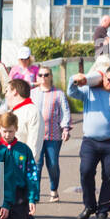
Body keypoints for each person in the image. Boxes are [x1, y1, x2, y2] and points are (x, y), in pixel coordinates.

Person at [68, 59, 110, 219]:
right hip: (90, 141)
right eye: (108, 79)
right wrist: (75, 79)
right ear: (103, 77)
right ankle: (90, 205)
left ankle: (103, 211)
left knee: (109, 176)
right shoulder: (90, 91)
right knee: (86, 171)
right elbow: (72, 92)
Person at [0, 112, 40, 219]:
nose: (7, 134)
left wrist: (32, 197)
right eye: (4, 130)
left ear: (16, 129)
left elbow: (32, 174)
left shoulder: (23, 149)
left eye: (11, 131)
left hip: (20, 198)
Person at [34, 69, 68, 202]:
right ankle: (35, 194)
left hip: (53, 136)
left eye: (46, 75)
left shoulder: (58, 94)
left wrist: (65, 128)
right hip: (36, 136)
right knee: (36, 165)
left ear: (51, 76)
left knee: (52, 164)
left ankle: (54, 189)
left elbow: (65, 111)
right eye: (40, 75)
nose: (43, 77)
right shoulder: (33, 94)